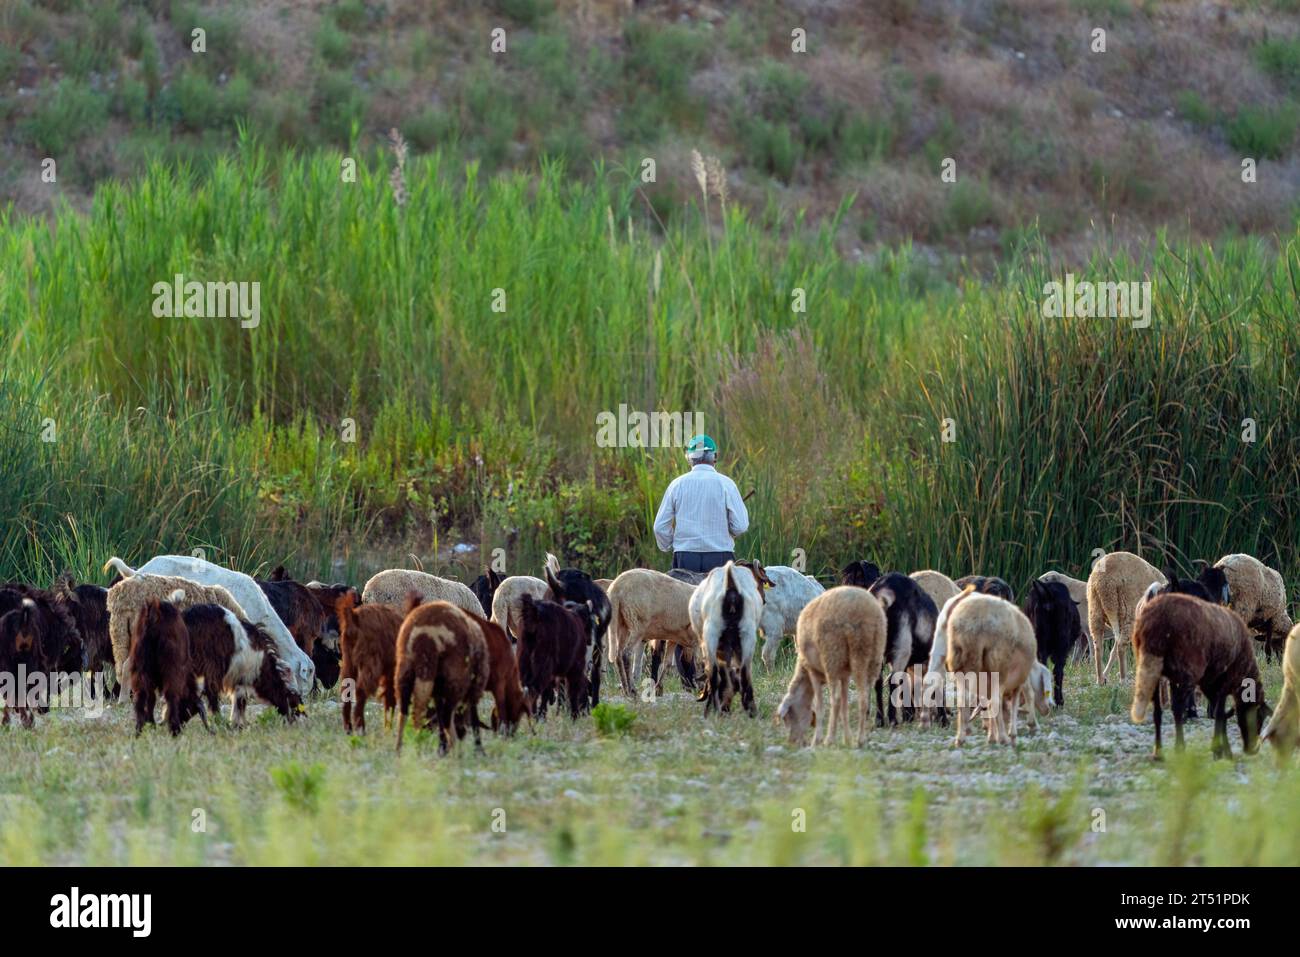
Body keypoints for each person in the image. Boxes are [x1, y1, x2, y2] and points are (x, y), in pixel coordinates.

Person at [652, 434, 749, 574]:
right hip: (720, 559)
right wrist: (730, 530)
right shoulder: (727, 484)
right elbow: (741, 526)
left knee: (686, 596)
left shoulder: (677, 485)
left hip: (684, 558)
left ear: (689, 458)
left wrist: (669, 545)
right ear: (715, 457)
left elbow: (659, 527)